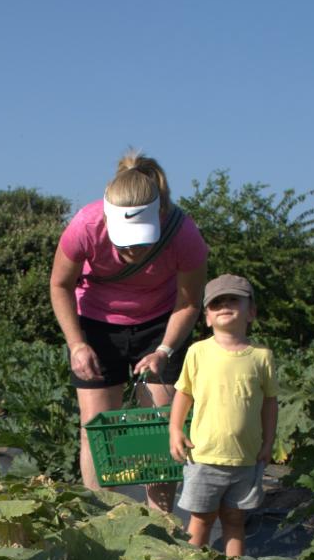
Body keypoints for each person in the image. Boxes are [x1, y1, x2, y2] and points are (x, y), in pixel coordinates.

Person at [51, 151, 209, 511]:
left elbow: (189, 302)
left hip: (160, 326)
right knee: (95, 430)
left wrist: (165, 350)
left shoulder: (184, 235)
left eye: (141, 239)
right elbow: (60, 285)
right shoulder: (85, 226)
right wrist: (76, 345)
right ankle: (100, 520)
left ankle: (161, 525)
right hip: (96, 325)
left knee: (160, 430)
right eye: (125, 239)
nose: (132, 249)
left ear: (160, 216)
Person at [168, 274, 278, 560]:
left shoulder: (261, 357)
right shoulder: (198, 352)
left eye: (233, 300)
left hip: (246, 458)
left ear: (251, 312)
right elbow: (183, 393)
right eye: (217, 303)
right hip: (204, 456)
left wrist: (269, 442)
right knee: (200, 520)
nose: (225, 306)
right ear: (206, 317)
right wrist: (175, 430)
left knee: (234, 520)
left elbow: (269, 403)